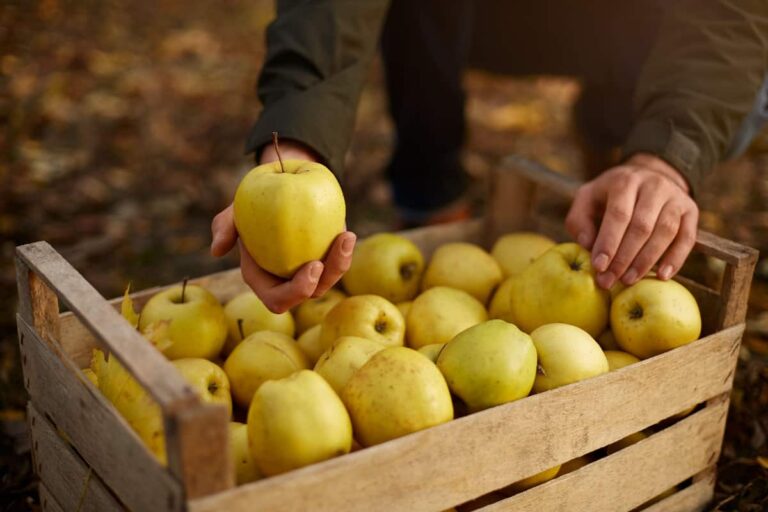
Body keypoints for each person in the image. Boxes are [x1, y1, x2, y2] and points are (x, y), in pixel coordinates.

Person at [211, 0, 768, 313]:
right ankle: (432, 198)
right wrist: (297, 137)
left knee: (740, 88)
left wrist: (668, 154)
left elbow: (731, 15)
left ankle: (618, 122)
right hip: (489, 15)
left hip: (644, 17)